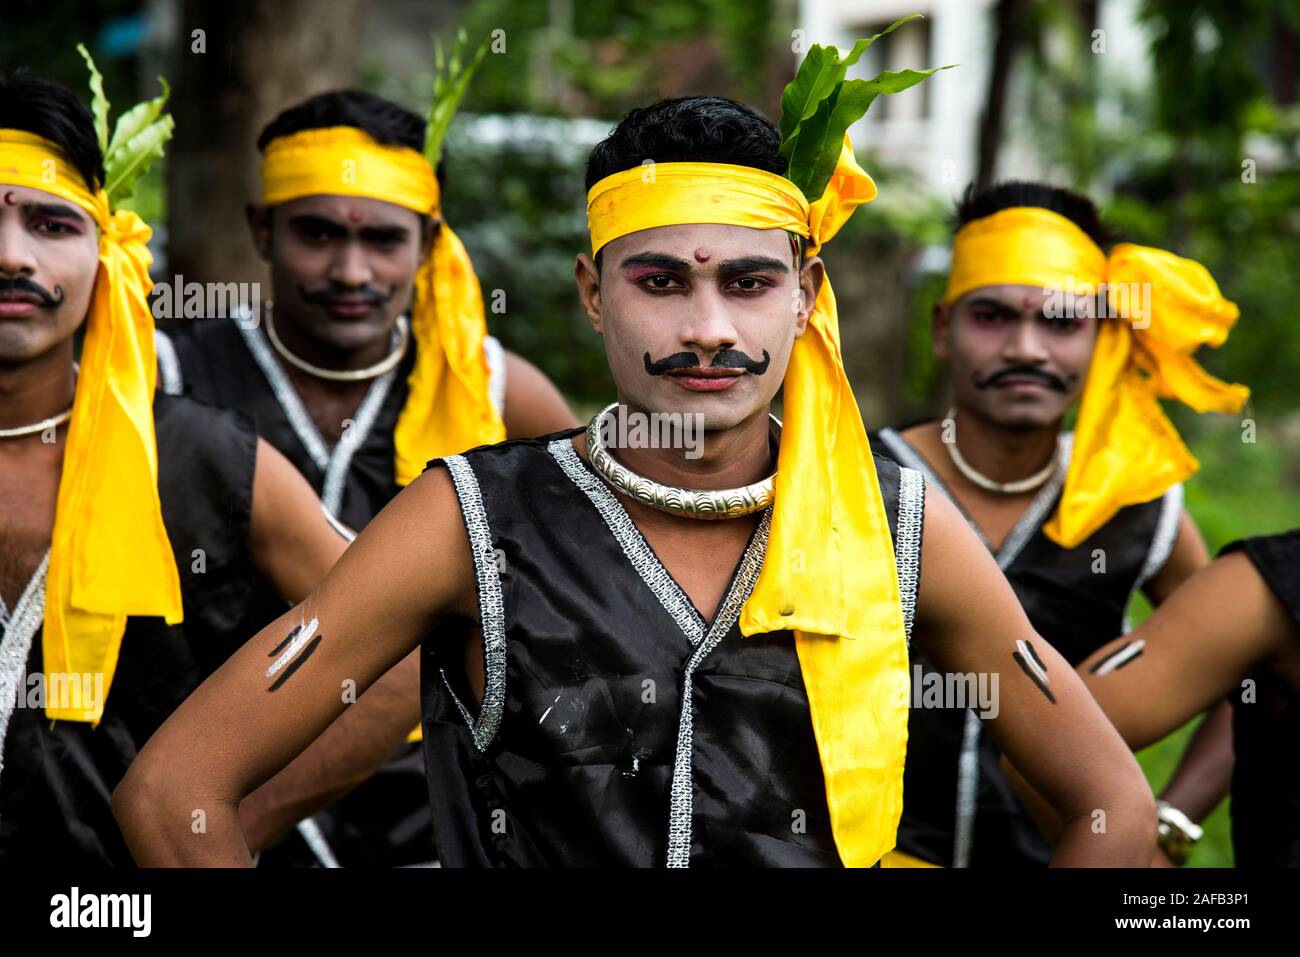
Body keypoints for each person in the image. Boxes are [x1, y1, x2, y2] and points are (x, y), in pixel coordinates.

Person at [114, 85, 1154, 867]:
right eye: (659, 282)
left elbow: (1112, 808)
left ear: (804, 297)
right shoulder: (469, 519)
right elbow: (174, 794)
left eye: (748, 283)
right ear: (593, 294)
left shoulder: (896, 522)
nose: (707, 330)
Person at [156, 88, 576, 866]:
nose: (351, 271)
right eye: (316, 234)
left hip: (438, 808)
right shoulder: (167, 374)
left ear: (427, 242)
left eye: (384, 239)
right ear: (262, 229)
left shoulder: (491, 388)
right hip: (213, 788)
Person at [0, 64, 402, 865]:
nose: (12, 256)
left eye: (53, 224)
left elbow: (398, 660)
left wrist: (216, 822)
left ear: (108, 250)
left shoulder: (200, 456)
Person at [872, 182, 1248, 867]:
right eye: (991, 316)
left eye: (1061, 321)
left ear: (1103, 335)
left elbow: (1248, 661)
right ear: (941, 329)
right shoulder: (860, 478)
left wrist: (1170, 822)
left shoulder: (1135, 501)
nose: (1026, 348)